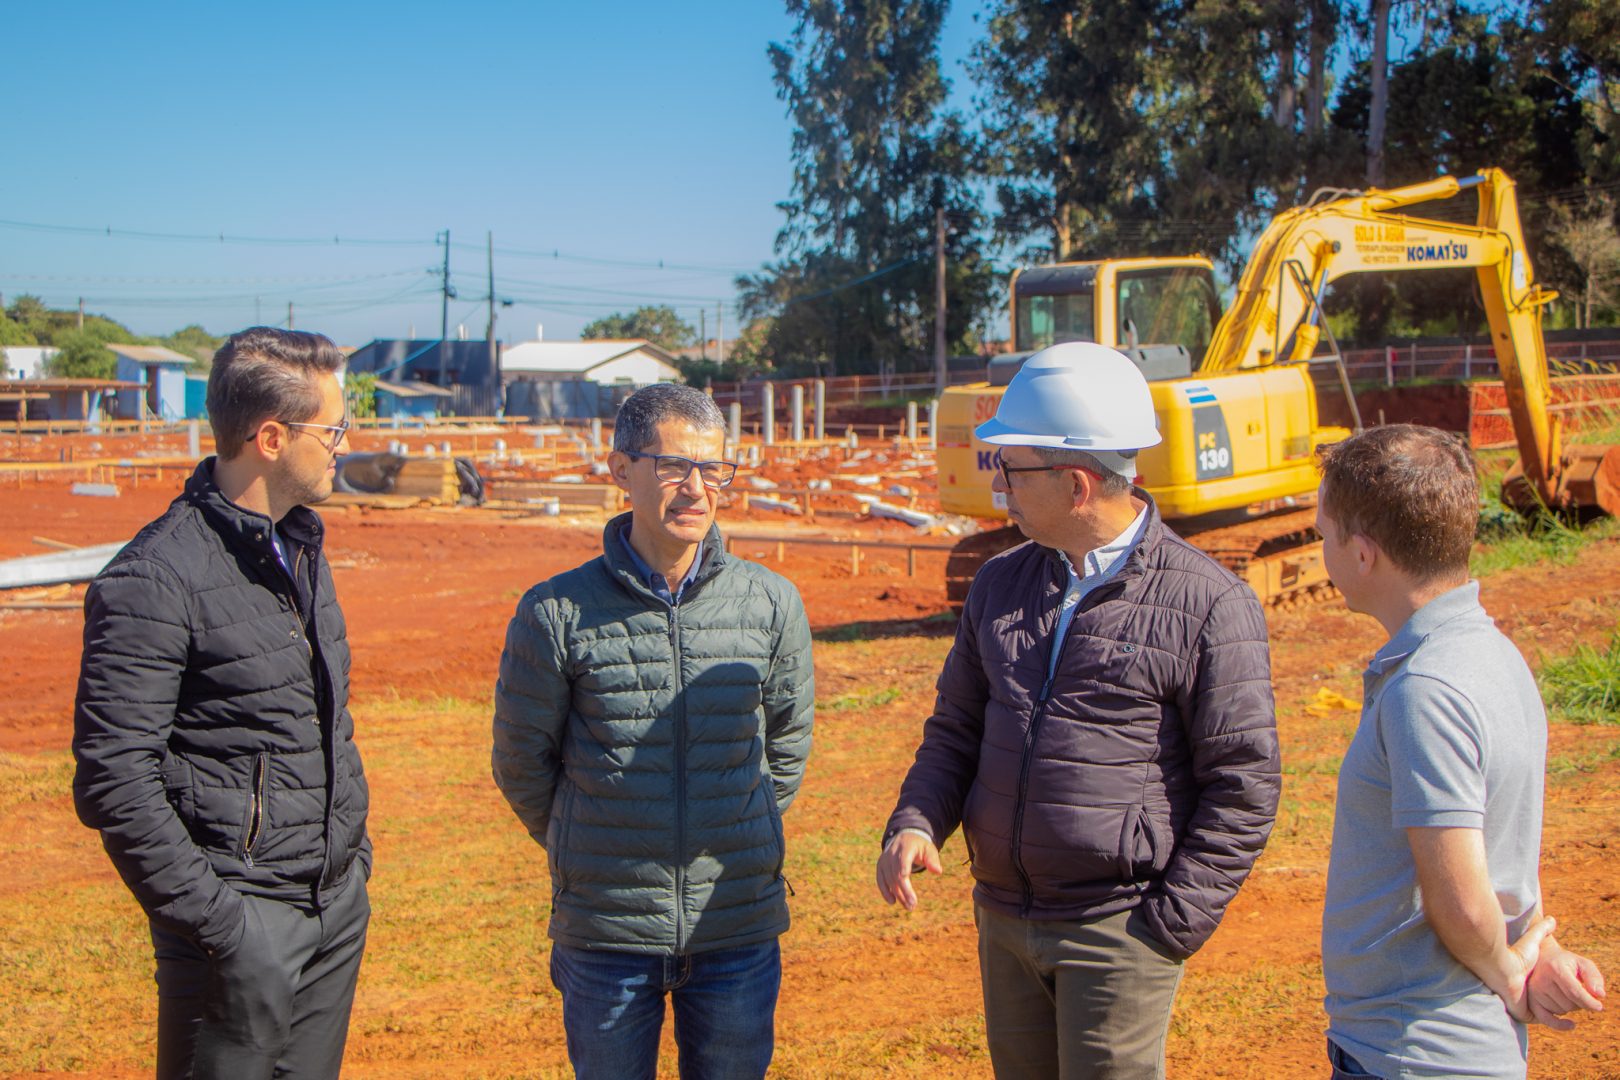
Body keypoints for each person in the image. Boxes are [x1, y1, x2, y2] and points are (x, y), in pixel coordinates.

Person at [876, 342, 1281, 1080]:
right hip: (1003, 919)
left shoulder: (1208, 603)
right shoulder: (1000, 583)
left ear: (1077, 483)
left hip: (1118, 931)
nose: (999, 486)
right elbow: (955, 731)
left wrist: (1163, 928)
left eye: (1013, 468)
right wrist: (915, 821)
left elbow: (1243, 788)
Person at [492, 382, 814, 1080]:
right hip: (606, 932)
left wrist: (741, 820)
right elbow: (522, 760)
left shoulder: (770, 601)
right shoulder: (556, 612)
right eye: (673, 466)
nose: (695, 488)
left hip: (734, 924)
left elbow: (788, 742)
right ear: (620, 469)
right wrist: (592, 842)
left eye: (712, 469)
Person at [72, 327, 371, 1079]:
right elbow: (114, 776)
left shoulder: (298, 547)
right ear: (272, 437)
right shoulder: (154, 578)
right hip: (237, 923)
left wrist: (351, 865)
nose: (345, 442)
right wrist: (224, 926)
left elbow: (319, 720)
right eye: (333, 428)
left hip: (331, 905)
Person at [1317, 424, 1606, 1080]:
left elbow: (1464, 901)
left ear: (1363, 555)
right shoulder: (1492, 656)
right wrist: (1540, 950)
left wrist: (1512, 975)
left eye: (1323, 535)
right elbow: (1497, 845)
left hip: (1415, 1054)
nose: (1322, 554)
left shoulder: (1425, 687)